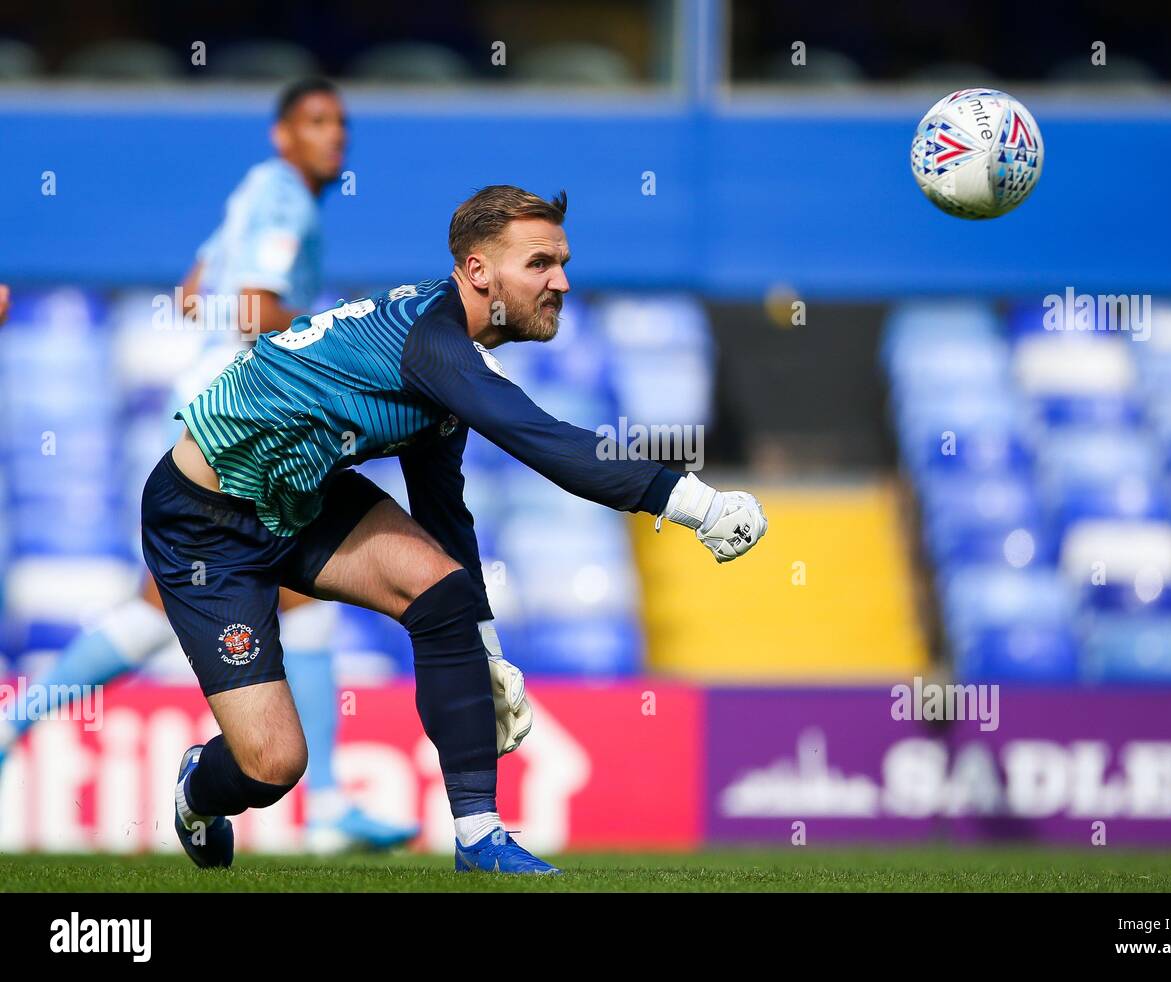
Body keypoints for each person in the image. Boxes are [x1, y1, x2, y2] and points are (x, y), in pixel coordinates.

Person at [147, 185, 767, 873]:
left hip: (304, 501)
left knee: (440, 590)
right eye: (539, 264)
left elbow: (443, 510)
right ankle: (198, 791)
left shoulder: (446, 359)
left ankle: (479, 837)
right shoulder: (434, 344)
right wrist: (697, 506)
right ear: (478, 273)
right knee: (273, 765)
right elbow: (549, 443)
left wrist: (485, 646)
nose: (560, 281)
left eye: (561, 262)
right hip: (207, 521)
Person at [0, 79, 416, 853]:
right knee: (302, 595)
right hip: (240, 423)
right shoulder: (286, 200)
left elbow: (195, 294)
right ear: (282, 135)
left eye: (341, 125)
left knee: (161, 603)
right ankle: (323, 802)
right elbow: (253, 309)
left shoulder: (253, 193)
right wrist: (341, 340)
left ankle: (10, 725)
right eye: (317, 123)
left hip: (196, 414)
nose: (337, 139)